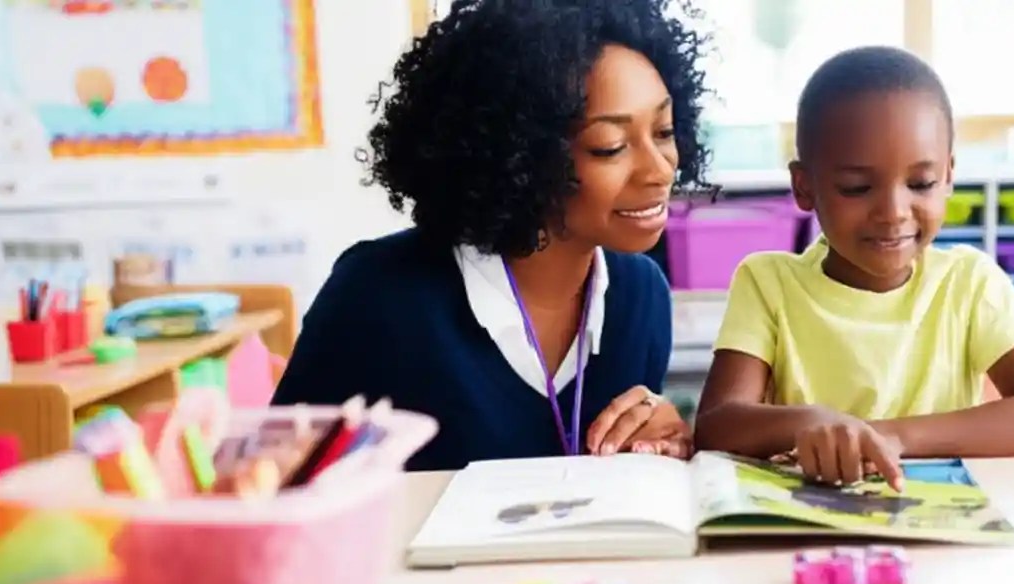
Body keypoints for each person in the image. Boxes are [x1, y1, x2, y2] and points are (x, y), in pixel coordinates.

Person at [271, 0, 712, 470]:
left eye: (663, 131)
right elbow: (270, 483)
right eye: (610, 147)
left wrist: (659, 438)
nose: (661, 168)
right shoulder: (379, 294)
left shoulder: (641, 296)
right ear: (521, 154)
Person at [694, 46, 1014, 489]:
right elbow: (715, 426)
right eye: (857, 188)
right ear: (804, 186)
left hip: (942, 533)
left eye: (921, 183)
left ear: (949, 175)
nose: (894, 211)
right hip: (809, 534)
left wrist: (890, 436)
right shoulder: (767, 283)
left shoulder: (970, 282)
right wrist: (813, 422)